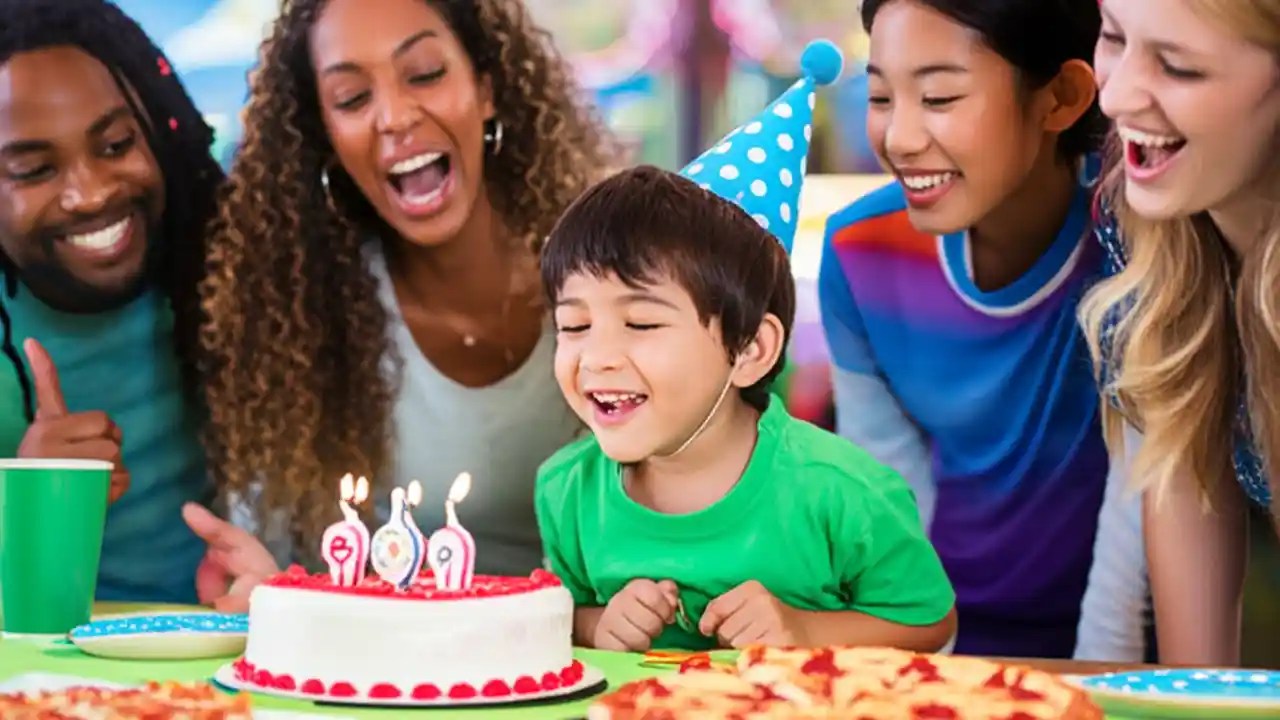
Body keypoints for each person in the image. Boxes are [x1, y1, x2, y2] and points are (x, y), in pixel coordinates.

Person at [186, 0, 616, 609]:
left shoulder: (609, 273)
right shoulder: (300, 315)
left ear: (487, 90)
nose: (393, 116)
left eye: (424, 74)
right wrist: (266, 587)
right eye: (353, 99)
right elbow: (277, 561)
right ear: (326, 139)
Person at [536, 45, 957, 653]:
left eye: (642, 325)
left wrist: (806, 629)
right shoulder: (566, 492)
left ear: (750, 349)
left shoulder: (840, 491)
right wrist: (594, 623)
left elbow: (928, 622)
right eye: (574, 327)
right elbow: (552, 613)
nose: (596, 356)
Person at [818, 0, 1114, 658]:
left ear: (1061, 96)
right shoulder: (859, 252)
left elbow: (1149, 498)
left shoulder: (1138, 237)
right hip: (927, 637)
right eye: (880, 96)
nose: (898, 137)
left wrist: (1101, 675)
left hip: (1117, 654)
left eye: (940, 96)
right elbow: (885, 490)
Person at [0, 0, 222, 602]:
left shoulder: (226, 236)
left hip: (235, 642)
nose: (90, 193)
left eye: (116, 144)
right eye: (34, 170)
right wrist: (28, 502)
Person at [1080, 0, 1280, 666]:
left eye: (1177, 66)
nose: (1114, 93)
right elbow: (1187, 473)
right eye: (1113, 36)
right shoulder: (1137, 214)